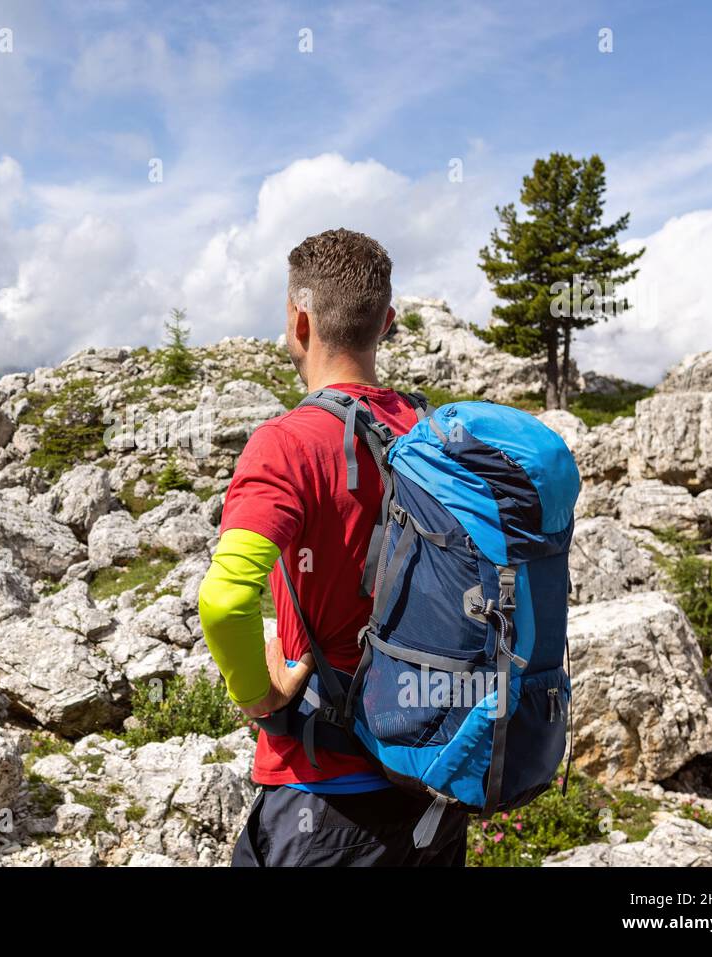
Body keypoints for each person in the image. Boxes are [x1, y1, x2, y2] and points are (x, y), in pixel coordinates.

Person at [198, 228, 468, 867]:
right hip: (436, 778)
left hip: (325, 794)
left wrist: (256, 696)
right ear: (388, 324)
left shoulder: (288, 443)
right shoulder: (437, 436)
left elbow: (225, 598)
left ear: (300, 320)